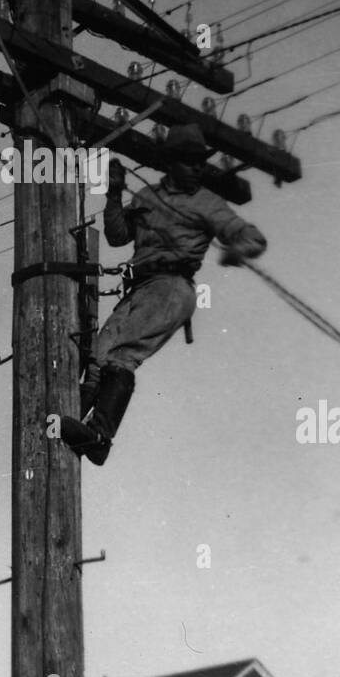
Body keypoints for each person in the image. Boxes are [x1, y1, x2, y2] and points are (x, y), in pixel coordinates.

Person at [60, 124, 267, 466]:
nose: (196, 168)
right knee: (100, 349)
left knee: (121, 354)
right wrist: (114, 195)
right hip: (141, 287)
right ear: (171, 162)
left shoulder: (207, 203)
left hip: (172, 287)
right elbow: (117, 236)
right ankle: (75, 418)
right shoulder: (147, 197)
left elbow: (253, 238)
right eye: (189, 161)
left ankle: (99, 437)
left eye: (200, 162)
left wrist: (237, 250)